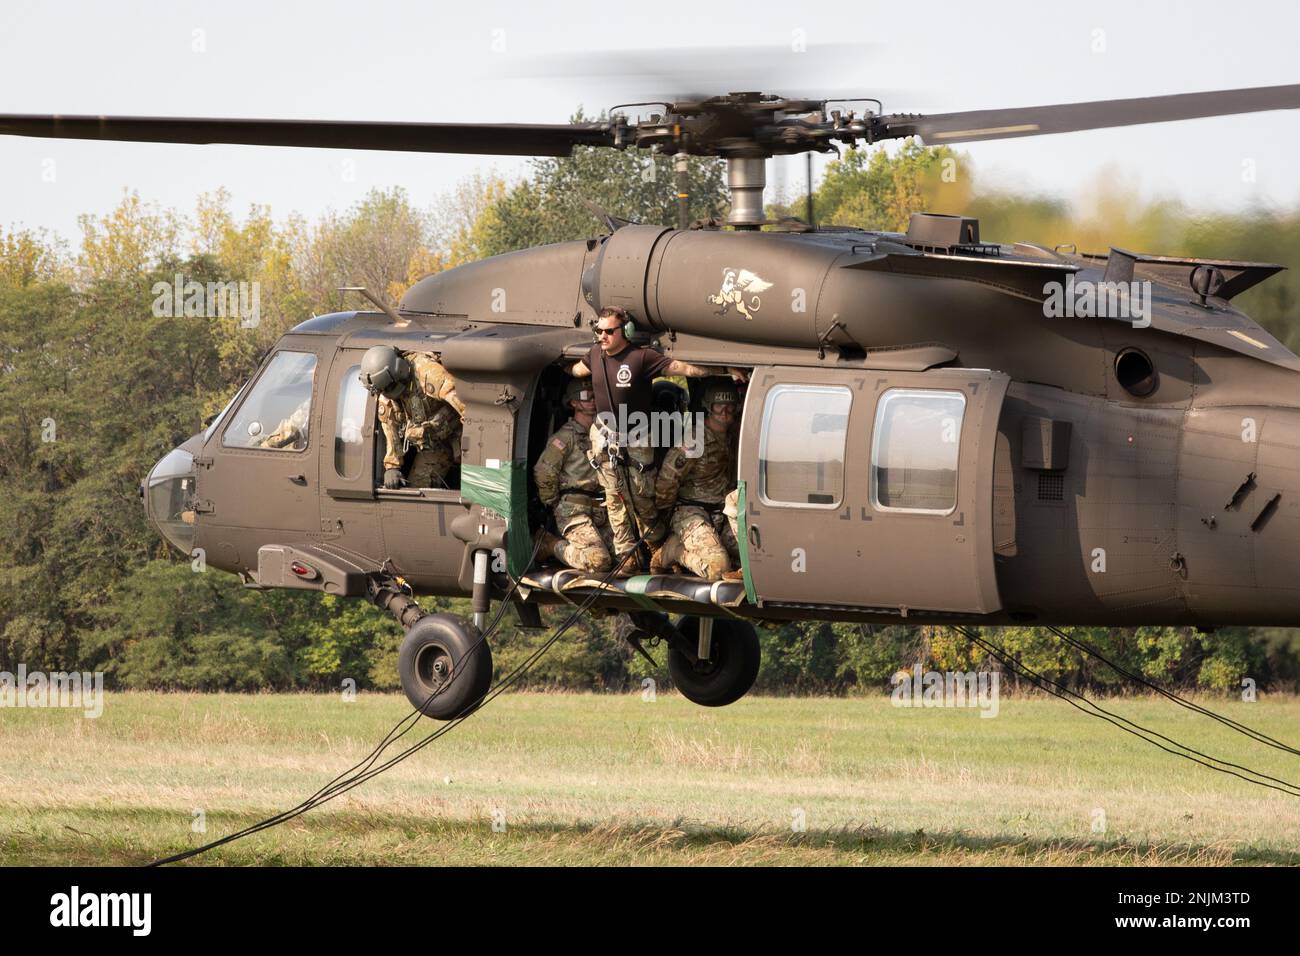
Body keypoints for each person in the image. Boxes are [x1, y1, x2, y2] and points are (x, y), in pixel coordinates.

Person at [568, 306, 746, 567]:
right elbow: (577, 371)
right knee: (614, 499)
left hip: (638, 438)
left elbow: (684, 369)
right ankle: (626, 557)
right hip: (606, 438)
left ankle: (657, 542)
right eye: (599, 331)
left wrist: (724, 369)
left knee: (643, 498)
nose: (602, 336)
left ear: (625, 331)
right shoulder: (595, 355)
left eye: (609, 331)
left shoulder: (641, 358)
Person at [652, 380, 742, 580]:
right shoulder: (695, 439)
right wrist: (666, 516)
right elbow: (667, 479)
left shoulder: (733, 437)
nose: (725, 411)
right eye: (719, 406)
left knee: (752, 557)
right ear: (709, 407)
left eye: (730, 406)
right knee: (719, 568)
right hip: (691, 513)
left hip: (722, 514)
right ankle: (674, 551)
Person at [532, 380, 614, 573]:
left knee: (629, 560)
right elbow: (544, 471)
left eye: (596, 396)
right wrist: (554, 502)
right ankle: (550, 544)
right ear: (574, 403)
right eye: (586, 397)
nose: (593, 401)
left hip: (601, 509)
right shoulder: (565, 437)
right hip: (573, 511)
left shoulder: (603, 434)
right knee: (599, 561)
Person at [359, 345, 466, 489]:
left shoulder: (428, 374)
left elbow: (466, 405)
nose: (386, 393)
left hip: (460, 435)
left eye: (389, 388)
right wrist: (392, 466)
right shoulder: (386, 396)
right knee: (418, 488)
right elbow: (390, 429)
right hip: (433, 446)